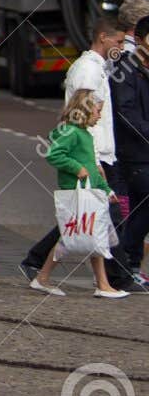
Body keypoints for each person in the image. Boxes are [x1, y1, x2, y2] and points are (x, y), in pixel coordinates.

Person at [31, 91, 130, 298]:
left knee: (92, 237)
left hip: (89, 191)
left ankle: (101, 284)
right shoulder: (72, 132)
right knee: (76, 238)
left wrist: (107, 190)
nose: (100, 116)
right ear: (84, 110)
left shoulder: (85, 133)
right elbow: (54, 154)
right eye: (97, 111)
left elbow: (93, 169)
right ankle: (44, 278)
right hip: (76, 192)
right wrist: (76, 168)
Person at [109, 14, 149, 291]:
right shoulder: (127, 69)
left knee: (137, 209)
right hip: (134, 152)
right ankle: (125, 265)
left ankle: (128, 266)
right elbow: (126, 113)